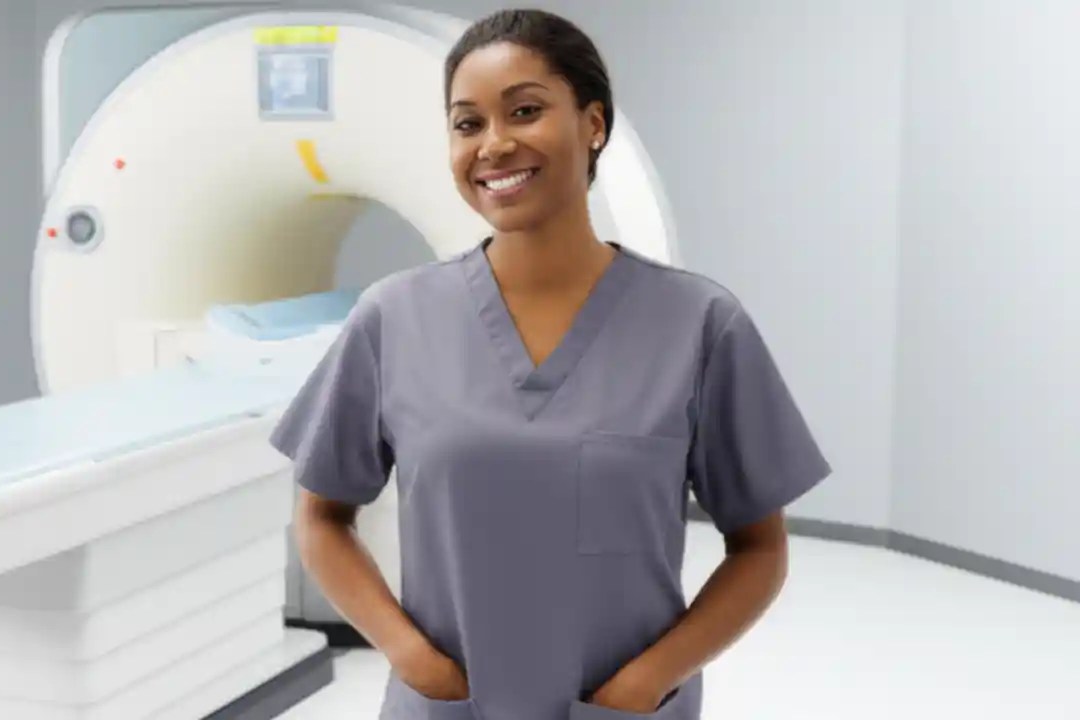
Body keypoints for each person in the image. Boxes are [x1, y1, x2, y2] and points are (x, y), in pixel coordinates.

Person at [269, 8, 832, 720]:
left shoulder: (699, 325)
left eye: (525, 111)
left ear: (593, 124)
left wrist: (647, 680)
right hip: (449, 707)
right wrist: (411, 657)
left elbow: (759, 551)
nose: (493, 144)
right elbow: (322, 519)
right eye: (467, 123)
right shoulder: (393, 317)